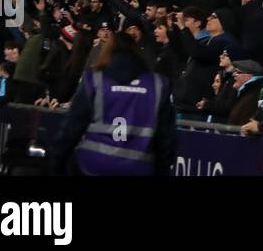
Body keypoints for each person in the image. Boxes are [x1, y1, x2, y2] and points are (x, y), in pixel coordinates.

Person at [51, 30, 177, 175]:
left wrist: (58, 164)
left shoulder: (94, 80)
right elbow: (166, 138)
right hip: (138, 168)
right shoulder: (157, 84)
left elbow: (71, 127)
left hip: (93, 166)